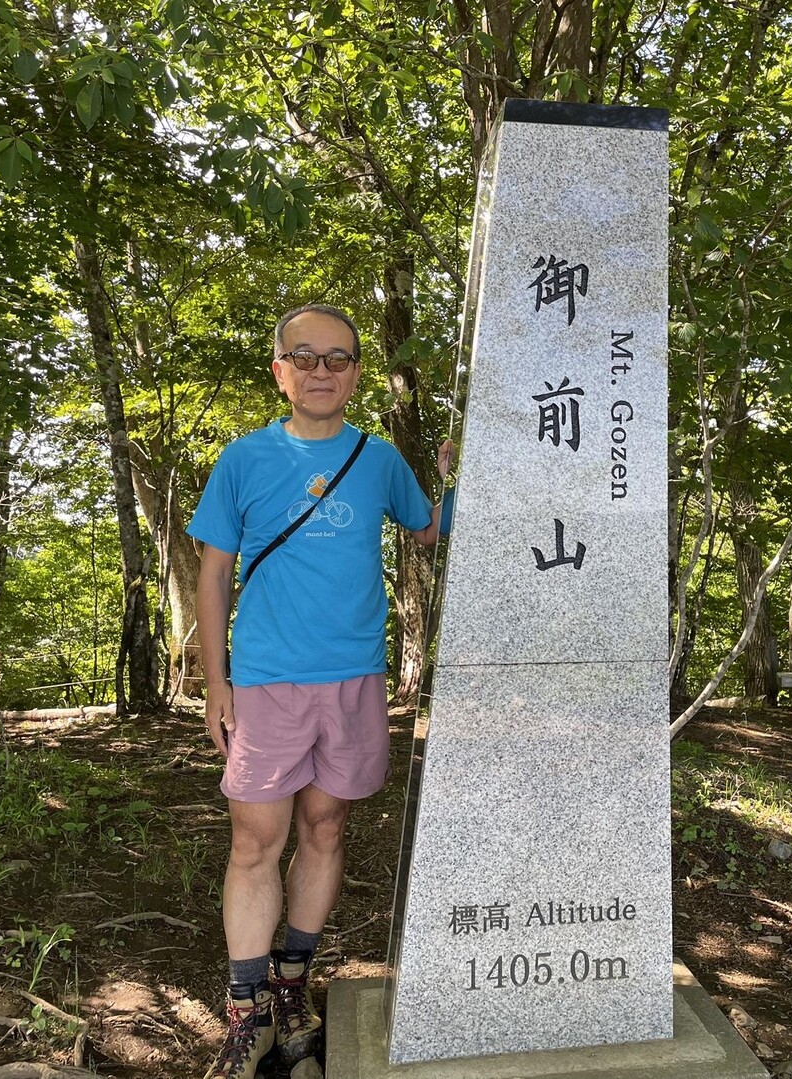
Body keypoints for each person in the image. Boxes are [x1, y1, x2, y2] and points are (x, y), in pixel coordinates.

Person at [187, 304, 452, 1079]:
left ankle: (292, 988)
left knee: (326, 828)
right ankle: (246, 1015)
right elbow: (213, 575)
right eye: (304, 357)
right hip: (265, 680)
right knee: (253, 841)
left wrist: (460, 477)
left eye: (337, 358)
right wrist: (215, 682)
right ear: (280, 371)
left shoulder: (377, 460)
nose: (321, 371)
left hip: (355, 677)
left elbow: (427, 528)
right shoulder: (243, 458)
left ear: (356, 373)